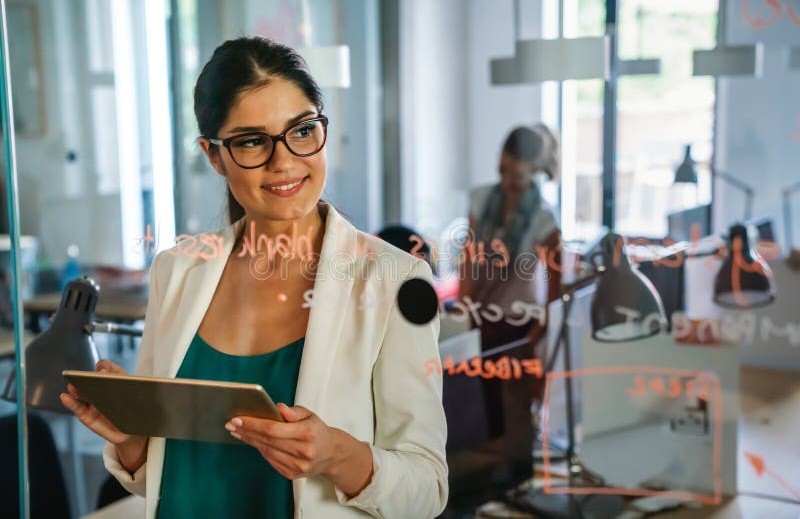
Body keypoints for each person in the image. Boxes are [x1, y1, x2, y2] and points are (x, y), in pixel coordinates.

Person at [60, 37, 448, 519]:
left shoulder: (395, 280)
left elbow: (428, 488)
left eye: (302, 130)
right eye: (251, 141)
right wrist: (133, 439)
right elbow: (165, 474)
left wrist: (337, 455)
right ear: (213, 155)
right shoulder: (177, 270)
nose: (283, 161)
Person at [458, 124, 561, 441]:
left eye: (515, 179)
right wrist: (465, 310)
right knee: (481, 411)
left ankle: (515, 480)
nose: (505, 183)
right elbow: (469, 260)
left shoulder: (544, 218)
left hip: (520, 326)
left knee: (514, 416)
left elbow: (556, 287)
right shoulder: (481, 200)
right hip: (482, 320)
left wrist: (537, 334)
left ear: (534, 173)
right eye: (502, 170)